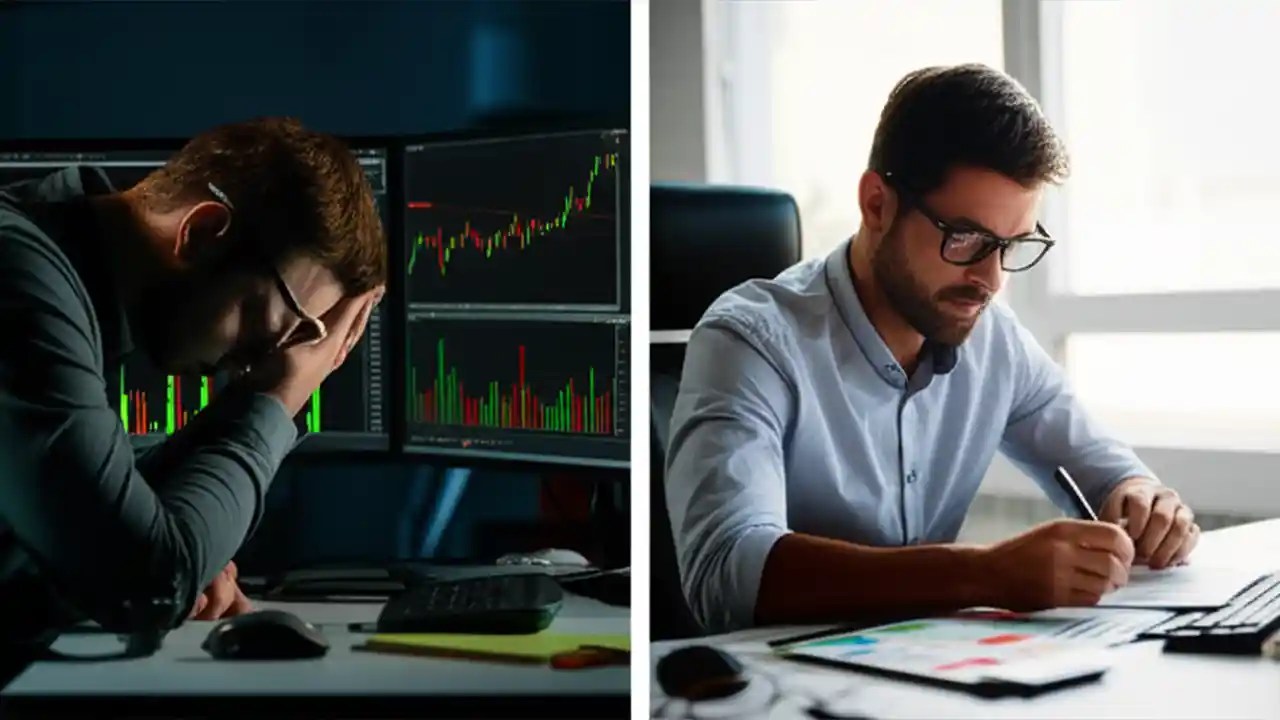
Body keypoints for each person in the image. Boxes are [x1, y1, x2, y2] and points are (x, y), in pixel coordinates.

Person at [665, 64, 1200, 634]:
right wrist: (982, 573)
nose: (990, 279)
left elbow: (1108, 475)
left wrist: (1142, 500)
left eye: (1012, 245)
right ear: (876, 205)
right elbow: (727, 574)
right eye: (966, 238)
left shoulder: (994, 340)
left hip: (931, 674)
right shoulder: (750, 342)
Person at [0, 117, 385, 647]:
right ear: (203, 233)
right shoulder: (19, 282)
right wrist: (276, 400)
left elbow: (80, 529)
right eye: (280, 325)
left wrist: (178, 540)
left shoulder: (53, 265)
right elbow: (143, 586)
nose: (257, 362)